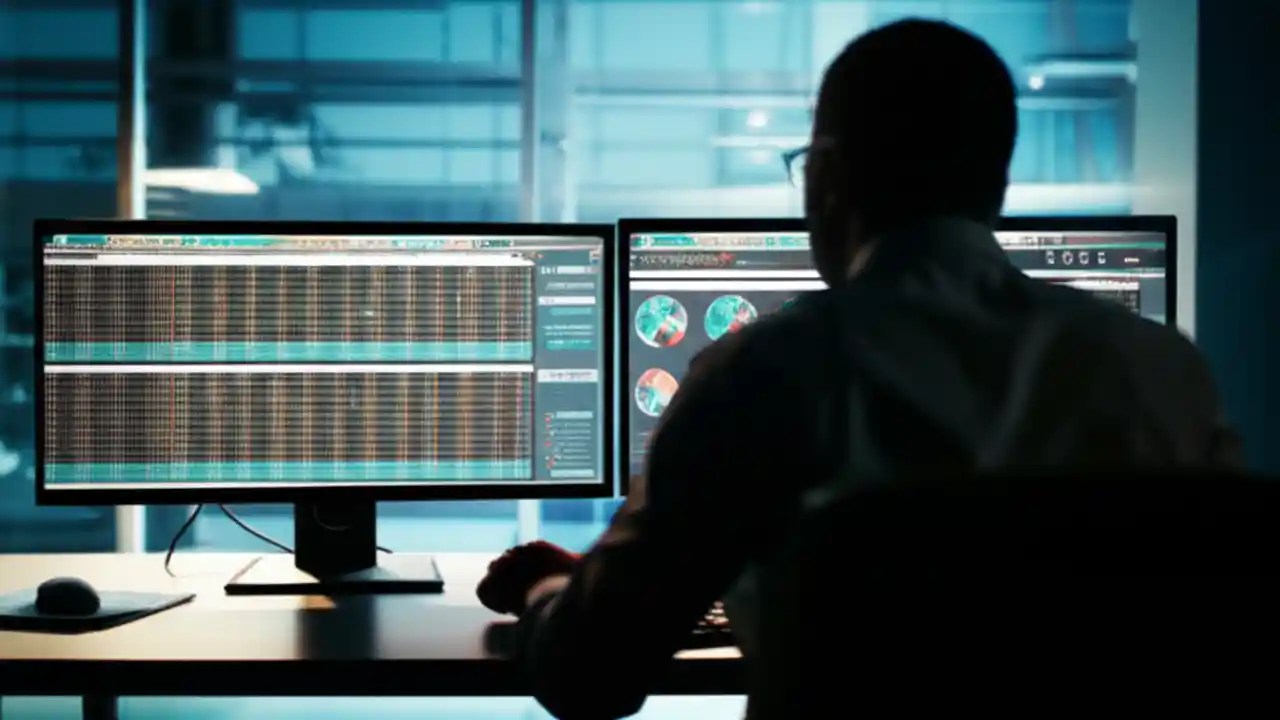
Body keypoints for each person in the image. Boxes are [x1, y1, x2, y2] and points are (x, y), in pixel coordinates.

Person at [477, 18, 1240, 719]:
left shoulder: (764, 371)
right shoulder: (1164, 370)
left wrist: (550, 590)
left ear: (827, 175)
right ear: (997, 186)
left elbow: (592, 675)